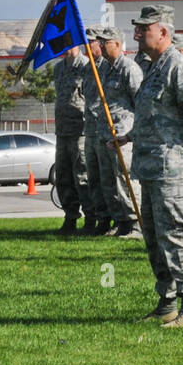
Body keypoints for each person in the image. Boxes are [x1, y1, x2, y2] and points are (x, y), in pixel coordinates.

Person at [117, 5, 183, 327]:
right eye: (138, 29)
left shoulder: (178, 66)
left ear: (163, 33)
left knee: (178, 235)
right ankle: (167, 302)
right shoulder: (154, 68)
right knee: (156, 238)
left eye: (144, 29)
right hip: (152, 169)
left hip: (174, 171)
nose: (137, 34)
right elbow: (154, 117)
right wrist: (129, 136)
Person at [98, 27, 143, 239]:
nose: (100, 46)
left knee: (126, 179)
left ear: (117, 44)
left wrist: (132, 132)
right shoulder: (107, 69)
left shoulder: (129, 68)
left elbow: (139, 102)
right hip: (106, 133)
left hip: (123, 133)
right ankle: (122, 221)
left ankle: (136, 222)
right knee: (110, 181)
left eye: (105, 42)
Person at [52, 45, 93, 234]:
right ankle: (70, 217)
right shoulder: (59, 68)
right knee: (63, 177)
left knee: (82, 177)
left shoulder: (86, 66)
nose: (63, 45)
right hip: (62, 131)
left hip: (80, 131)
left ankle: (92, 218)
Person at [81, 27, 111, 234]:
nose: (88, 46)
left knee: (109, 178)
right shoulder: (88, 67)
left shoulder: (108, 67)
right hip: (91, 130)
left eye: (91, 42)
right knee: (93, 178)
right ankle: (100, 218)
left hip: (106, 131)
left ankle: (118, 218)